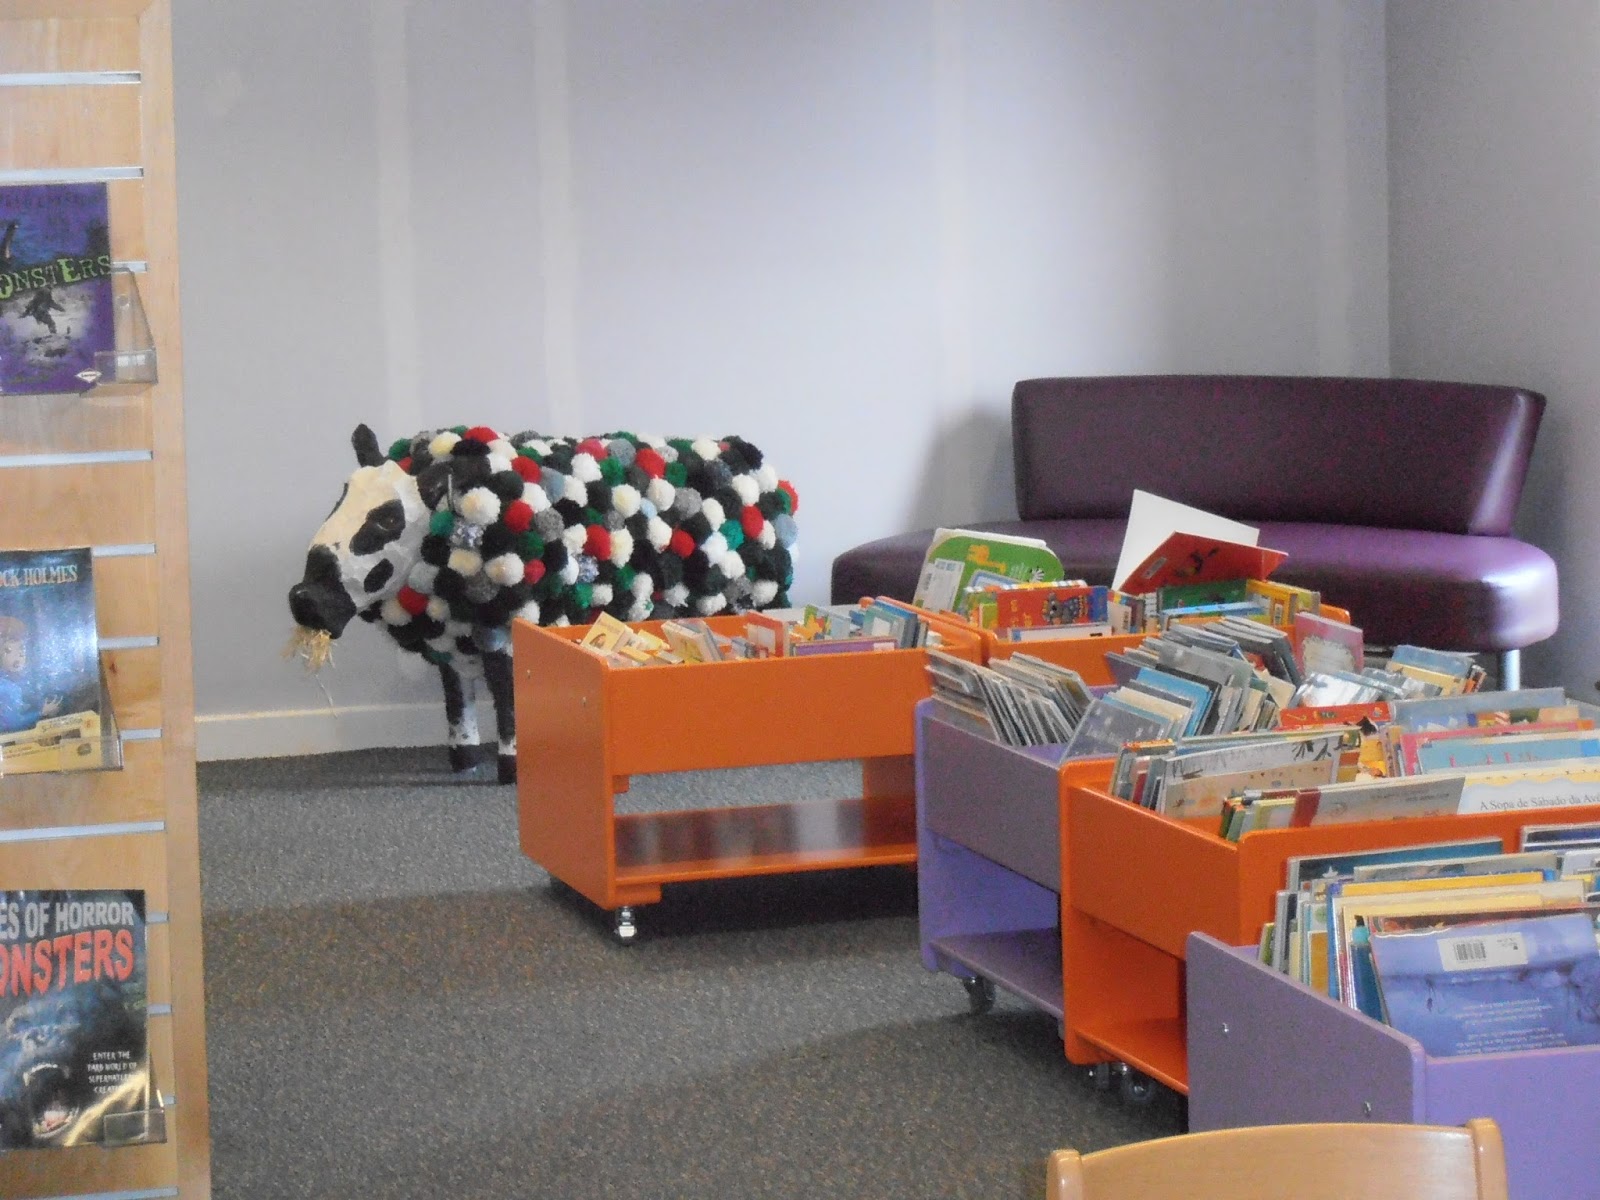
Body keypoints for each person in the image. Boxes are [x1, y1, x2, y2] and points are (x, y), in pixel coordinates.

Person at [0, 615, 60, 734]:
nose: (19, 655)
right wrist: (41, 712)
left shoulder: (22, 680)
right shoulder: (5, 688)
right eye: (8, 651)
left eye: (21, 648)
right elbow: (11, 723)